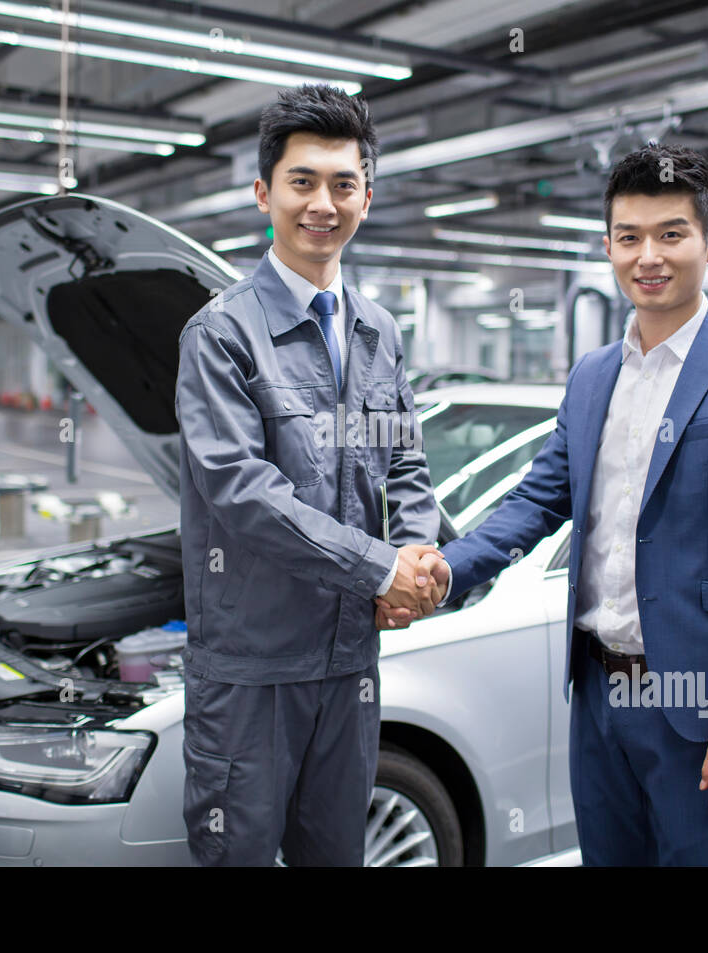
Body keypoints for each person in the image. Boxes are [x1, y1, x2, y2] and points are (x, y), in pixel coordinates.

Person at [377, 144, 708, 865]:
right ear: (608, 246)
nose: (648, 256)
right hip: (596, 693)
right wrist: (446, 570)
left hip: (701, 705)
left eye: (671, 234)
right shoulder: (592, 375)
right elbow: (539, 498)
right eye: (629, 236)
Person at [175, 84, 444, 866]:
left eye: (342, 184)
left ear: (367, 197)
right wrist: (379, 568)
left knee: (337, 855)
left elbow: (405, 459)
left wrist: (419, 555)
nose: (323, 204)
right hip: (251, 674)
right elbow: (242, 492)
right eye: (302, 182)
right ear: (265, 193)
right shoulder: (221, 334)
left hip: (350, 664)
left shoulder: (379, 331)